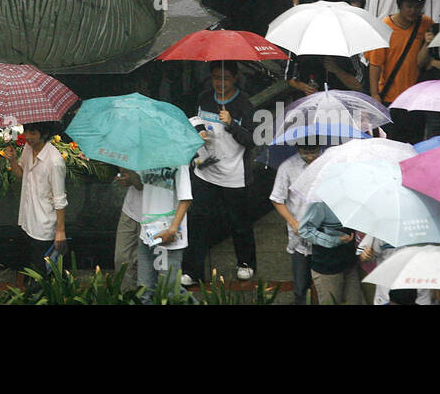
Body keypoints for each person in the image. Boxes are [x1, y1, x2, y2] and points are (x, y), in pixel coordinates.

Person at [184, 63, 257, 283]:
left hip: (234, 174)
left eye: (225, 78)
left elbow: (251, 140)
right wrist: (201, 132)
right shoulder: (204, 98)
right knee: (197, 220)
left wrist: (232, 124)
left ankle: (246, 263)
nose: (220, 83)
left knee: (239, 222)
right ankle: (193, 271)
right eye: (216, 78)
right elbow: (194, 119)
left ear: (235, 79)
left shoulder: (245, 104)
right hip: (205, 169)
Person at [365, 0, 430, 140]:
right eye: (409, 6)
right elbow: (375, 64)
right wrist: (375, 94)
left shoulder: (425, 24)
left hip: (416, 100)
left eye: (418, 7)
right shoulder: (385, 27)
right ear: (400, 5)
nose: (413, 11)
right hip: (390, 98)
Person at [5, 122, 68, 271]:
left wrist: (60, 231)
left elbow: (60, 199)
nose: (27, 137)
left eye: (33, 133)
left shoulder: (54, 161)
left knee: (44, 272)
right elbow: (21, 174)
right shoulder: (28, 148)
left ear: (44, 133)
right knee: (31, 269)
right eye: (26, 132)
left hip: (44, 226)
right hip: (28, 220)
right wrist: (12, 160)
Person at [271, 143, 323, 304]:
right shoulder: (287, 167)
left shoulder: (329, 162)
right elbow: (277, 199)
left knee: (326, 286)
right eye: (304, 153)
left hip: (325, 232)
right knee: (301, 288)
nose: (309, 157)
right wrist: (293, 222)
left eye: (313, 152)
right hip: (300, 236)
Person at [134, 164, 193, 301]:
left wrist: (172, 230)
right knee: (144, 289)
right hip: (147, 234)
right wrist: (125, 169)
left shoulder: (179, 161)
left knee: (170, 290)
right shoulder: (146, 158)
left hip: (169, 235)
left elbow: (186, 199)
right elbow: (140, 184)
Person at [297, 198, 364, 303]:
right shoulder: (320, 202)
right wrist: (334, 240)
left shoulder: (353, 199)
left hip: (350, 263)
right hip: (327, 266)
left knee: (355, 301)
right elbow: (305, 230)